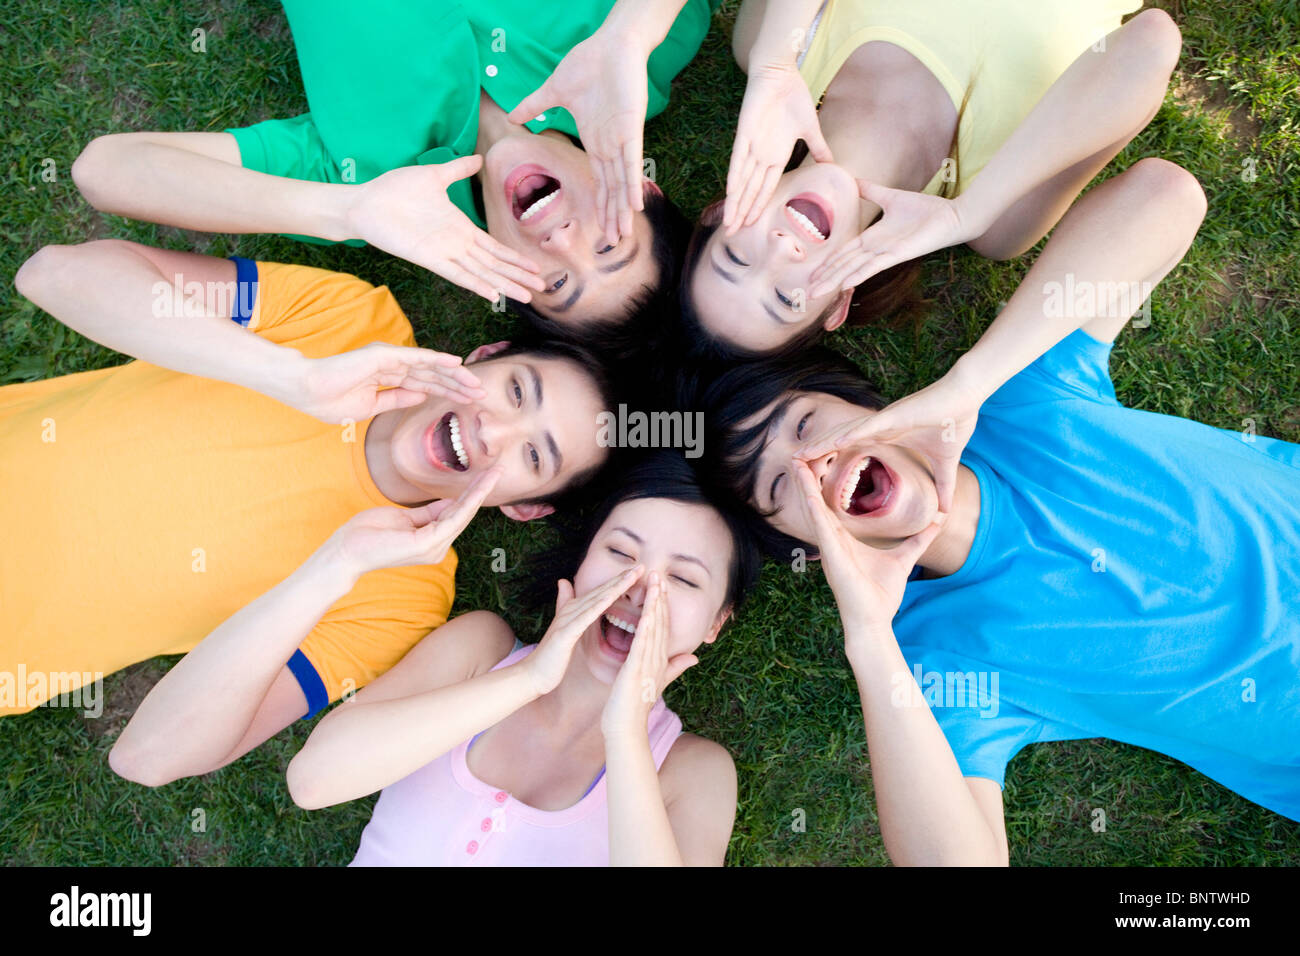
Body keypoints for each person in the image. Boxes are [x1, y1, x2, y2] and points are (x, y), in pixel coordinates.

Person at [697, 159, 1300, 862]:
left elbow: (1166, 195)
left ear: (861, 401)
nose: (813, 467)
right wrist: (868, 639)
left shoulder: (1021, 397)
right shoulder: (940, 663)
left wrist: (971, 382)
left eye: (803, 427)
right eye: (780, 492)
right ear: (802, 547)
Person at [3, 240, 617, 782]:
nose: (494, 431)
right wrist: (291, 376)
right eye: (516, 391)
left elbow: (150, 757)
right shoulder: (350, 322)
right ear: (487, 353)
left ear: (526, 509)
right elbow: (56, 276)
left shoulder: (402, 600)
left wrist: (338, 565)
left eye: (534, 456)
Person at [70, 0, 716, 332]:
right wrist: (631, 35)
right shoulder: (647, 50)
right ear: (644, 191)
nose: (563, 244)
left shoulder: (377, 189)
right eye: (609, 246)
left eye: (554, 284)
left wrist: (342, 210)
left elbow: (107, 169)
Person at [257, 453, 755, 866]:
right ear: (583, 563)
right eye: (622, 553)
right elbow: (313, 780)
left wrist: (624, 733)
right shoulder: (480, 650)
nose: (641, 592)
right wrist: (528, 679)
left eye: (685, 580)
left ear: (716, 623)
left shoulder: (694, 771)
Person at [682, 0, 1183, 357]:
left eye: (736, 257)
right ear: (837, 305)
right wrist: (971, 210)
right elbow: (1151, 42)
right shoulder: (997, 221)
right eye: (786, 299)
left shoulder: (771, 57)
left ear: (720, 212)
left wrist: (774, 64)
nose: (779, 252)